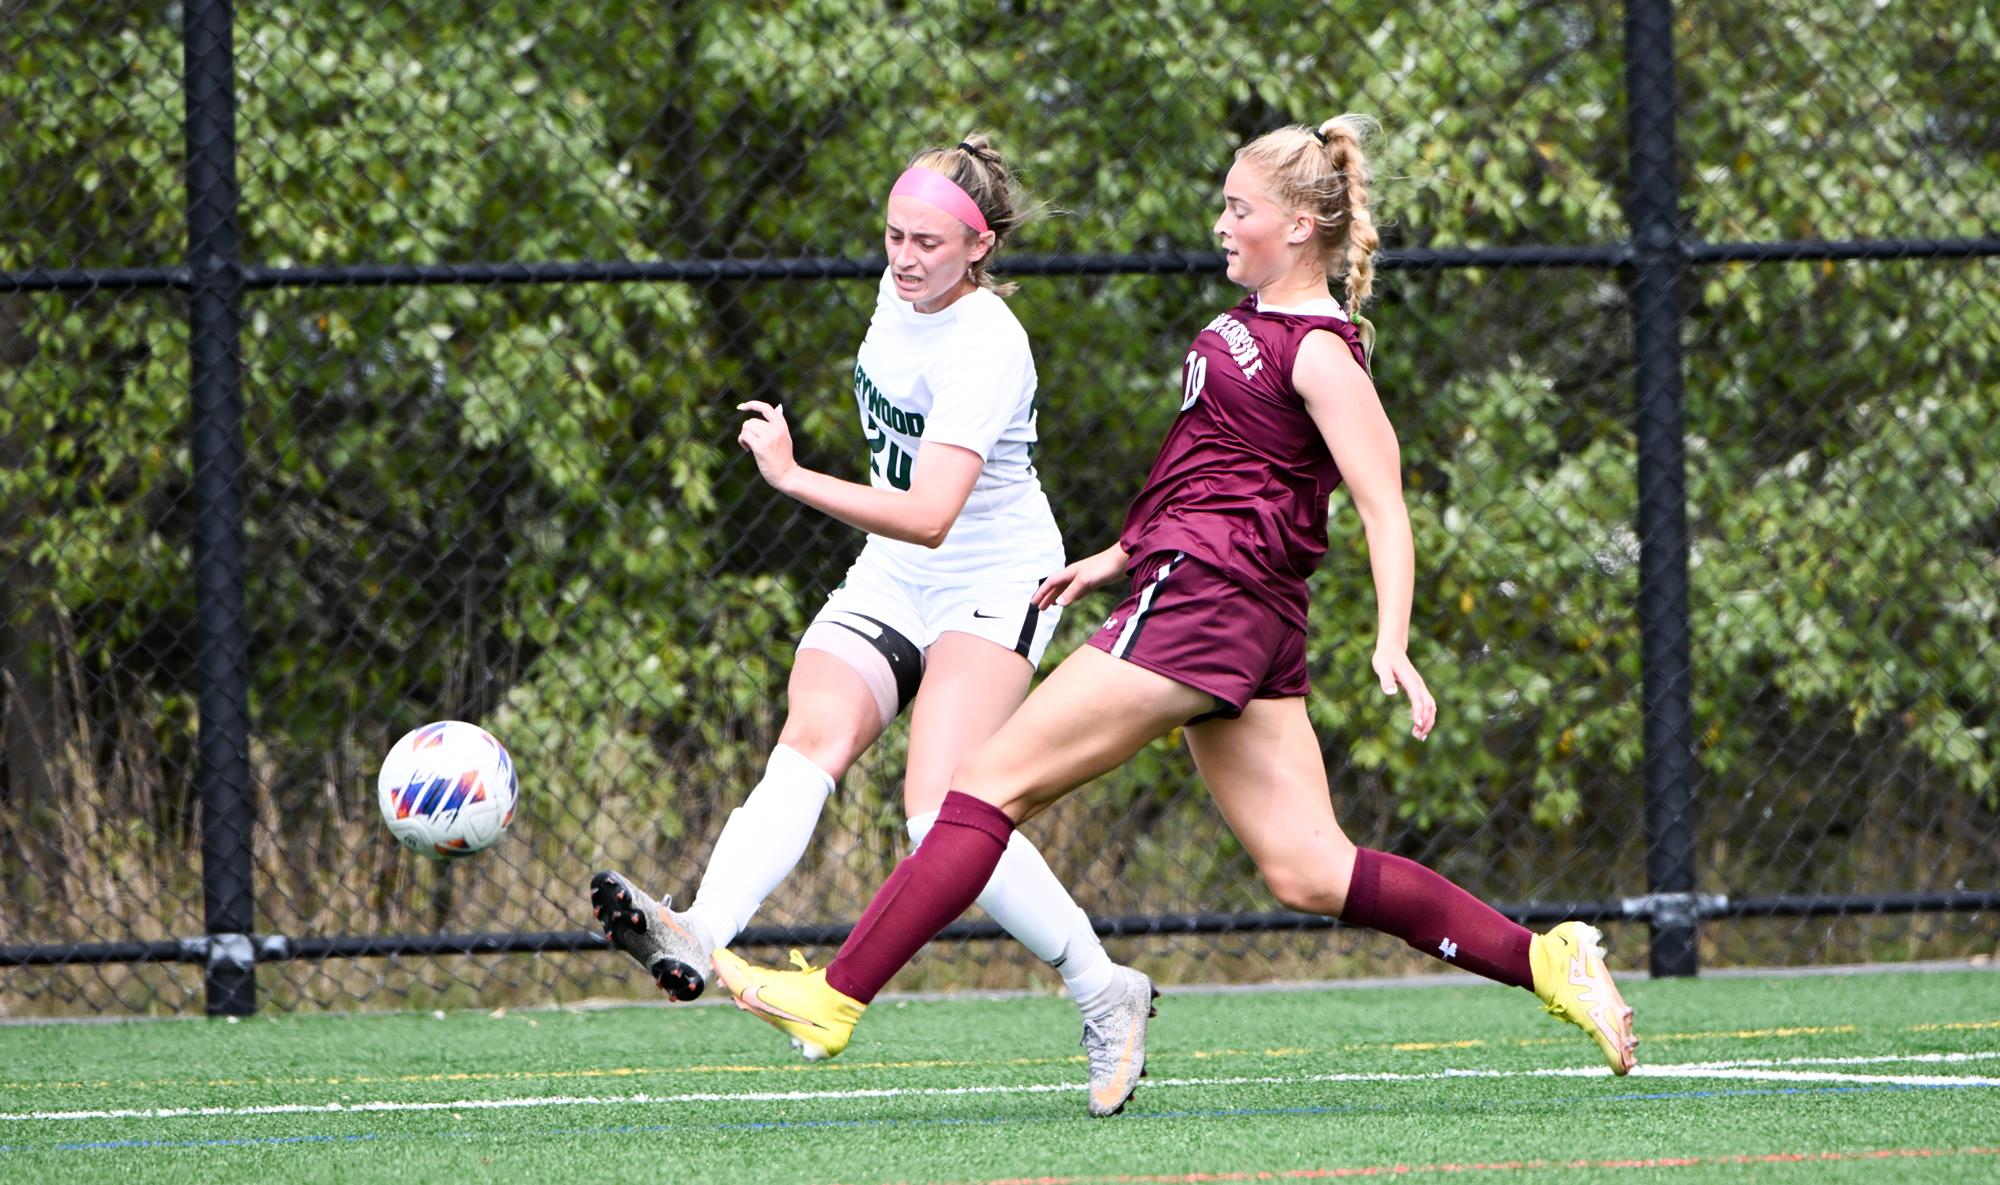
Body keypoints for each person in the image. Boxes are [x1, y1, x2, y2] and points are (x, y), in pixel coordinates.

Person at [708, 115, 1640, 1118]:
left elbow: (1382, 502)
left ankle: (835, 996)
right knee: (1308, 870)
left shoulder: (1321, 352)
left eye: (1238, 210)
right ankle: (1546, 960)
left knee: (979, 789)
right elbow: (1207, 473)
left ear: (1298, 226)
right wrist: (1115, 554)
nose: (1219, 224)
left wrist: (1391, 640)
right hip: (1229, 610)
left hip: (1208, 605)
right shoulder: (1241, 328)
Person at [589, 134, 1156, 1115]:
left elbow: (935, 511)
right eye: (892, 236)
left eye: (928, 242)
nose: (902, 257)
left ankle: (1103, 989)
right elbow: (908, 523)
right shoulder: (896, 293)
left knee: (941, 813)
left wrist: (793, 476)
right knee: (811, 735)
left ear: (977, 248)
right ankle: (695, 933)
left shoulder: (987, 345)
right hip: (894, 575)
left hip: (990, 579)